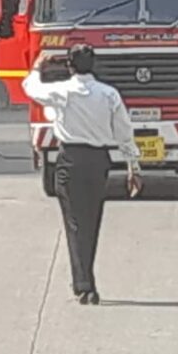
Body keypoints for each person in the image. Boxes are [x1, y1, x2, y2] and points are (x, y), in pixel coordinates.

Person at [23, 45, 143, 306]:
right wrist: (133, 167)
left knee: (75, 223)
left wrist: (37, 66)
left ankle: (85, 284)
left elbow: (30, 88)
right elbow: (124, 132)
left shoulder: (63, 92)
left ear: (70, 66)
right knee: (92, 220)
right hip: (99, 162)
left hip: (71, 160)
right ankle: (86, 279)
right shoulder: (109, 94)